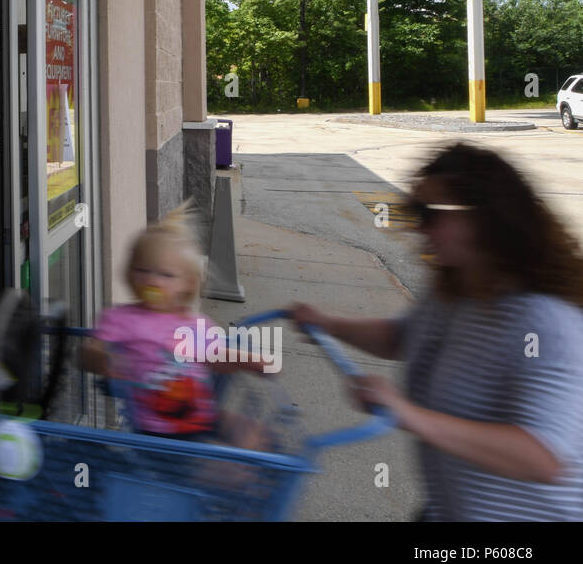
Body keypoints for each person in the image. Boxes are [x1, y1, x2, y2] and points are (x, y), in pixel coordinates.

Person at [291, 142, 583, 521]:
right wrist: (327, 322)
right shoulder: (455, 287)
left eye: (431, 214)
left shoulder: (542, 321)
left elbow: (542, 457)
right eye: (415, 212)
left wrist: (408, 414)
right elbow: (404, 337)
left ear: (486, 218)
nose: (419, 226)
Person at [82, 206, 268, 440]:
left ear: (189, 283)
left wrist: (249, 362)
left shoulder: (197, 324)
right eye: (143, 270)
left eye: (166, 275)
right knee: (224, 468)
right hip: (159, 430)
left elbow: (215, 357)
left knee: (254, 435)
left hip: (200, 416)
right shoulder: (122, 319)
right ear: (130, 274)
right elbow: (90, 351)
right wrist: (100, 359)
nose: (152, 280)